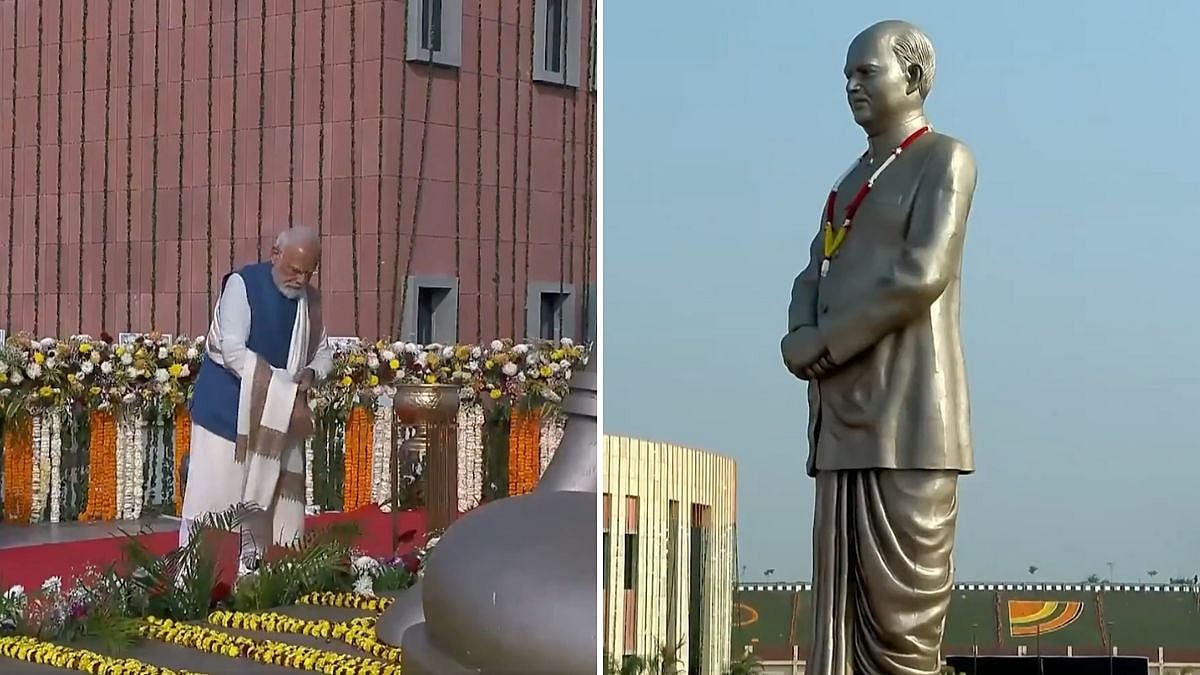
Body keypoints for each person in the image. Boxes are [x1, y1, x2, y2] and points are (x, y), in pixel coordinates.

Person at [780, 20, 978, 675]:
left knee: (903, 616)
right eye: (848, 75)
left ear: (914, 77)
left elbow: (923, 274)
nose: (852, 86)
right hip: (841, 415)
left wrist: (825, 344)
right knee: (840, 609)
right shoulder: (849, 181)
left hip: (913, 411)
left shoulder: (944, 159)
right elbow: (815, 271)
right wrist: (798, 337)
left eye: (867, 72)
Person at [180, 225, 333, 575]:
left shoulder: (310, 301)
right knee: (209, 501)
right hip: (226, 413)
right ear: (275, 254)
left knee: (259, 505)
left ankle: (253, 583)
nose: (301, 278)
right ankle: (188, 584)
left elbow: (324, 353)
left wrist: (310, 375)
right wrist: (282, 386)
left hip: (276, 422)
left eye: (309, 271)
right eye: (294, 269)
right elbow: (232, 351)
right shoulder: (242, 286)